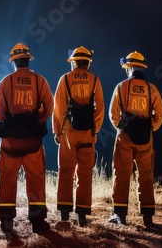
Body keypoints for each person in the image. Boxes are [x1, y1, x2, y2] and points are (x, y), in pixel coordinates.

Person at [0, 43, 54, 238]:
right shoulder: (39, 81)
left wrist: (11, 122)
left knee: (8, 179)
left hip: (10, 142)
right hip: (33, 142)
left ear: (14, 62)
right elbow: (49, 107)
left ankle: (7, 221)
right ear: (28, 59)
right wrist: (37, 121)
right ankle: (37, 221)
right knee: (35, 179)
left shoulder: (6, 82)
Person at [107, 51, 162, 227]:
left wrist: (122, 128)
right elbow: (160, 114)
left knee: (122, 174)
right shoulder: (151, 88)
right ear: (141, 67)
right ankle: (147, 217)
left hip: (125, 137)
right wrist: (150, 128)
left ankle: (120, 215)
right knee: (146, 176)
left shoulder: (121, 87)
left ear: (129, 68)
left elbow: (113, 114)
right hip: (146, 139)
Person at [53, 46, 105, 227]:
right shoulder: (95, 80)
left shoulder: (65, 79)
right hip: (87, 134)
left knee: (66, 171)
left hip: (68, 132)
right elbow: (100, 109)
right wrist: (94, 130)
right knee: (85, 173)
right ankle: (82, 215)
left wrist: (57, 131)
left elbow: (58, 108)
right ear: (88, 63)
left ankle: (65, 214)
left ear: (73, 62)